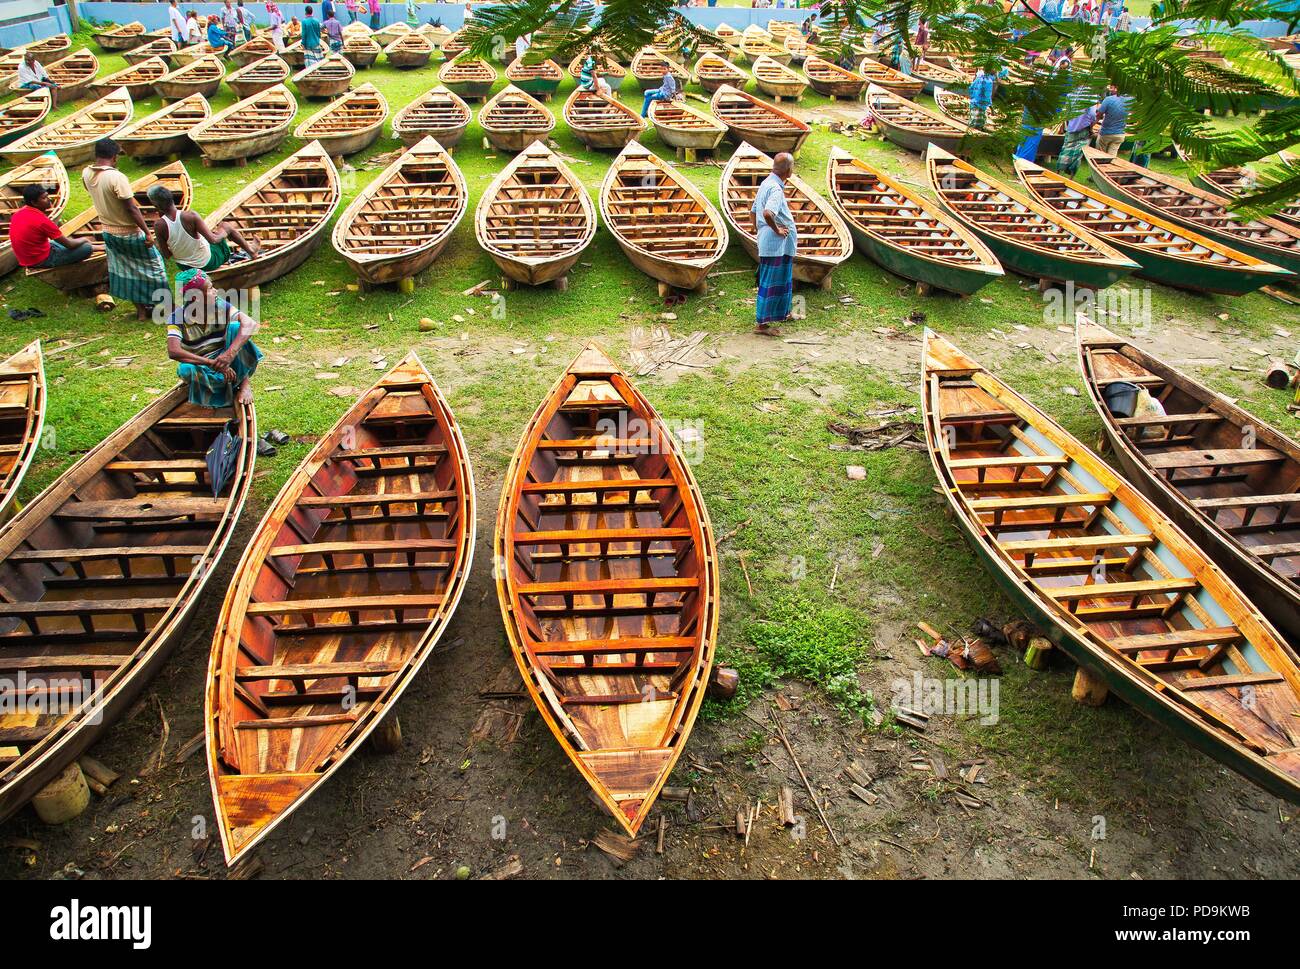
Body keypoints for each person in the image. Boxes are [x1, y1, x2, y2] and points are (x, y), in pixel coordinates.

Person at [84, 139, 167, 321]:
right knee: (155, 268)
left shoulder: (86, 173)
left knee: (126, 271)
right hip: (127, 232)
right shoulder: (116, 177)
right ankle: (164, 307)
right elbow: (132, 208)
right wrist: (146, 231)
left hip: (108, 231)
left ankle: (142, 311)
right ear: (114, 157)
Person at [167, 269, 262, 409]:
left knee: (237, 328)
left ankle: (244, 383)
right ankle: (224, 383)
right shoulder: (177, 318)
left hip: (225, 356)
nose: (215, 291)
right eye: (210, 288)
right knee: (185, 370)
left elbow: (250, 323)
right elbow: (173, 351)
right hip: (203, 363)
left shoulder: (220, 305)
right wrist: (212, 363)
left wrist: (229, 355)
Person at [149, 184, 259, 273]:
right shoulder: (191, 216)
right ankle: (252, 251)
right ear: (171, 198)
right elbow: (213, 240)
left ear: (157, 206)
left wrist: (181, 246)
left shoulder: (158, 225)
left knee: (205, 237)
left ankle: (249, 249)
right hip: (207, 264)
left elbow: (167, 254)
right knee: (225, 226)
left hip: (185, 268)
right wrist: (224, 233)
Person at [753, 152, 797, 337]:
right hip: (775, 243)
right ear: (788, 170)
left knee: (783, 279)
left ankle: (783, 313)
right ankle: (761, 325)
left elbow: (753, 210)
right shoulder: (776, 189)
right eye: (792, 167)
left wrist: (758, 230)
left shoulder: (766, 183)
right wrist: (777, 230)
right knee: (771, 283)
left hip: (775, 243)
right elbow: (767, 213)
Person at [7, 184, 94, 270]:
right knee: (87, 248)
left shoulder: (18, 214)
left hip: (29, 257)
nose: (49, 199)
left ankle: (99, 247)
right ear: (34, 203)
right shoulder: (42, 221)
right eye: (44, 198)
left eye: (47, 196)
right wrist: (84, 239)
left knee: (55, 241)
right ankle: (93, 247)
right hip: (40, 260)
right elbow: (70, 245)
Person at [1057, 100, 1099, 175]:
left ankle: (1058, 173)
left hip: (1071, 128)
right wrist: (1091, 125)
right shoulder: (1091, 96)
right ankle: (1071, 177)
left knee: (1065, 149)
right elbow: (1092, 114)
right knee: (1078, 153)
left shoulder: (1072, 93)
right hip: (1083, 129)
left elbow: (1067, 112)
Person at [1096, 83, 1129, 155]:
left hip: (1106, 133)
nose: (1110, 90)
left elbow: (1099, 115)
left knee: (1099, 156)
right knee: (1111, 158)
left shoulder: (1108, 99)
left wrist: (1092, 125)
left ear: (1117, 88)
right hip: (1120, 134)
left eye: (1112, 88)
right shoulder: (1130, 101)